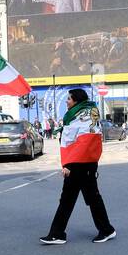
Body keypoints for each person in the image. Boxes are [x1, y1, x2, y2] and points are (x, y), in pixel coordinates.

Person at [40, 88, 117, 244]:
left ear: (76, 100)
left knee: (77, 198)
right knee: (83, 197)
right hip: (82, 163)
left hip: (81, 163)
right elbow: (74, 139)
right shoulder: (78, 114)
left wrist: (69, 164)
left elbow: (84, 143)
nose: (67, 101)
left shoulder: (85, 115)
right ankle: (105, 229)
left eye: (69, 99)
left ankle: (59, 234)